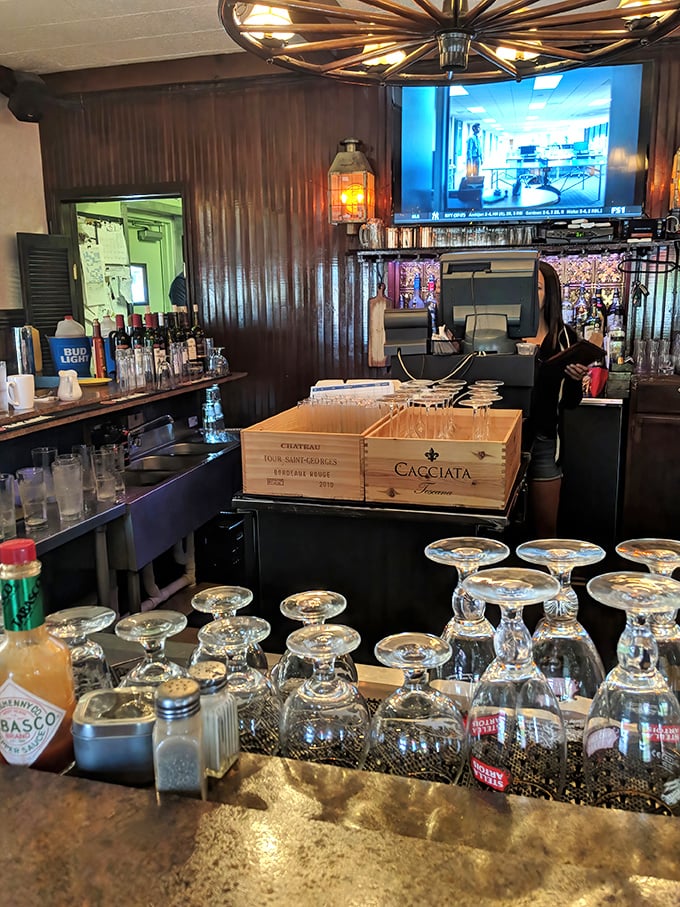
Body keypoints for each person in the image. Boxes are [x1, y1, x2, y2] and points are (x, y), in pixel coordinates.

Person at [525, 260, 588, 538]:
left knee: (545, 531)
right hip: (506, 438)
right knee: (502, 527)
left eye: (536, 288)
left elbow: (571, 403)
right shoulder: (499, 333)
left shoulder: (565, 338)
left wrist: (575, 379)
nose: (529, 293)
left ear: (550, 294)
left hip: (546, 442)